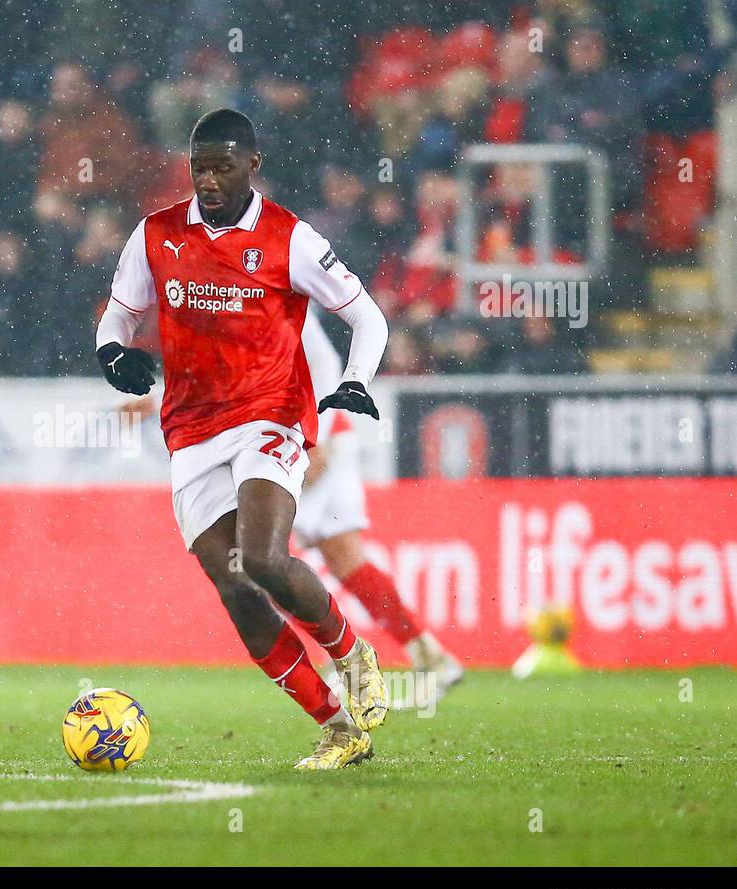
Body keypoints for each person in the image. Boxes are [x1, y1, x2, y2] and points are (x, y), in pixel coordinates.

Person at [94, 108, 391, 770]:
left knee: (260, 557)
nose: (209, 181)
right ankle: (338, 727)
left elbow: (366, 317)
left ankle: (351, 653)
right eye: (199, 168)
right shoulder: (157, 235)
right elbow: (118, 315)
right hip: (191, 429)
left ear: (252, 166)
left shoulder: (294, 239)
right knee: (233, 586)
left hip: (270, 414)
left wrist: (354, 381)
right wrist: (112, 356)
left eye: (223, 167)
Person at [296, 310, 464, 703]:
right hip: (289, 444)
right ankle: (425, 656)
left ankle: (351, 663)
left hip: (317, 444)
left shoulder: (267, 289)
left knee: (268, 561)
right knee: (337, 562)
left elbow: (324, 361)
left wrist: (317, 435)